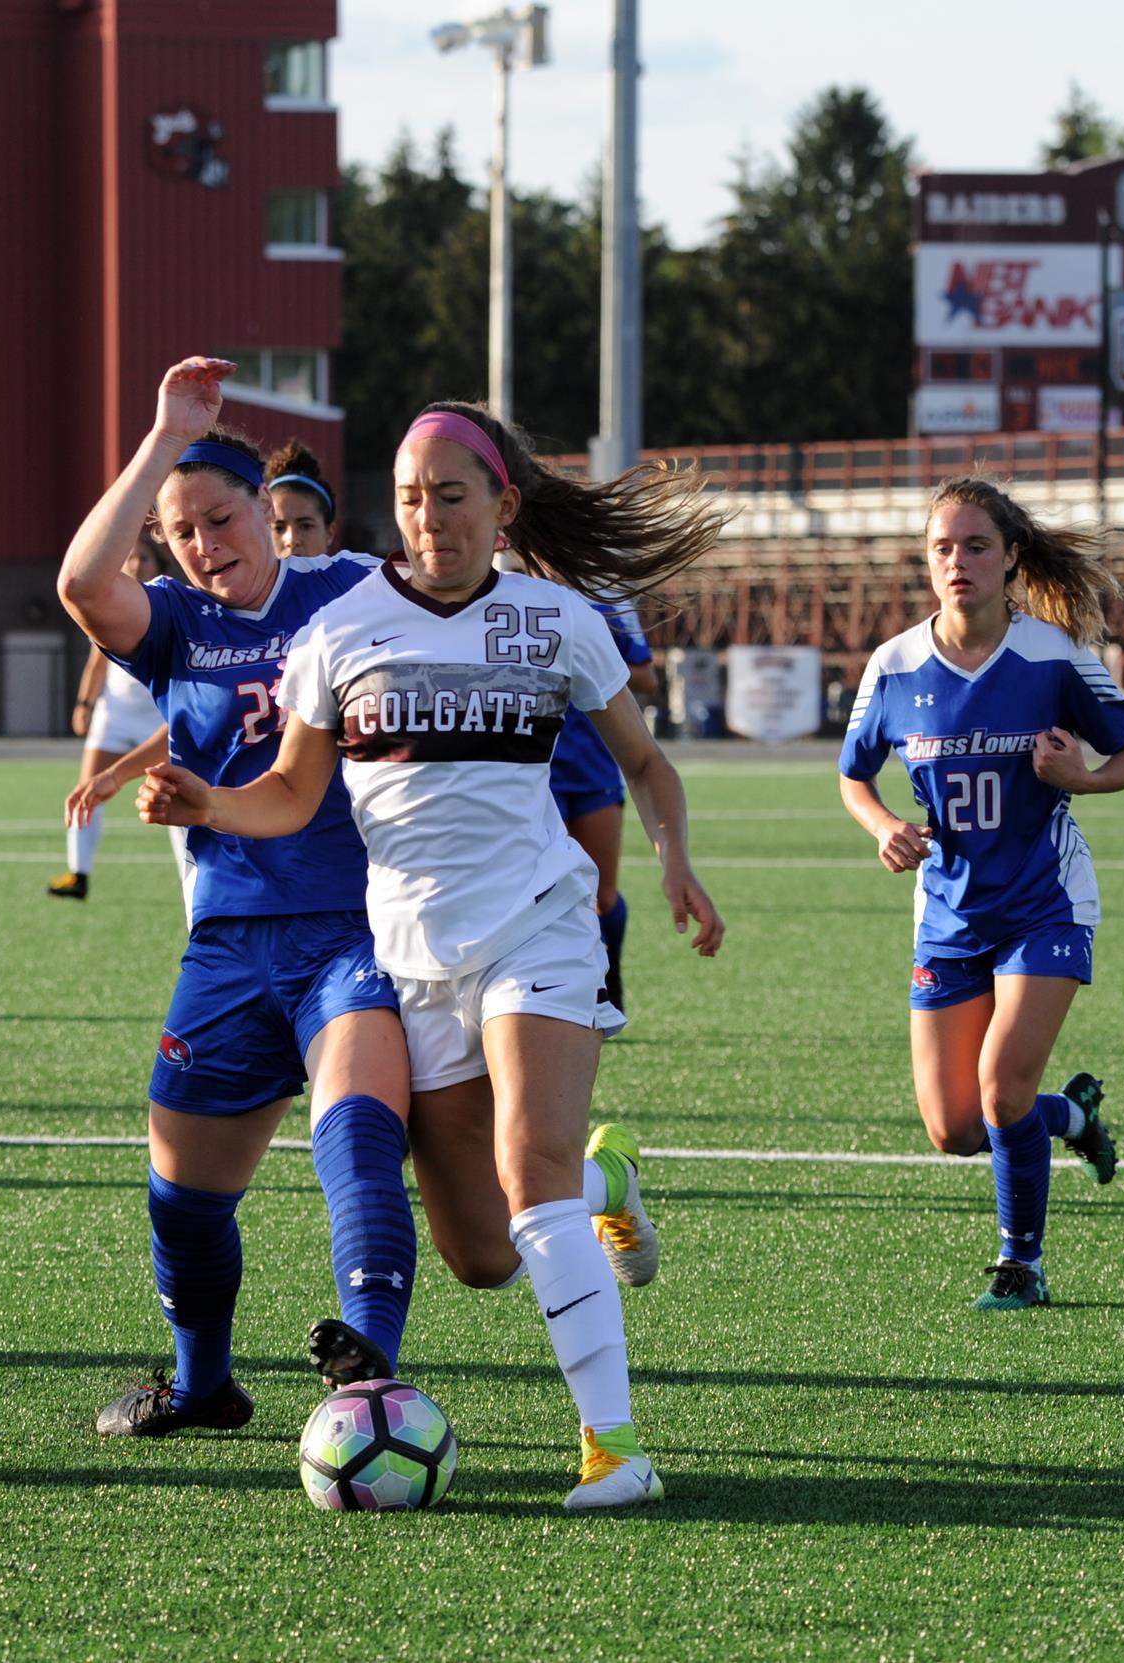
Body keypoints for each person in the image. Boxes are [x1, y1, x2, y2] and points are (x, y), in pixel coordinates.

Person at [140, 397, 728, 1511]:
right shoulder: (343, 630)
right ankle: (610, 1179)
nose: (428, 519)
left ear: (502, 505)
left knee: (527, 1169)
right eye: (410, 499)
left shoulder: (558, 622)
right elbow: (290, 793)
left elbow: (645, 764)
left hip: (537, 926)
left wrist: (673, 861)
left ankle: (615, 1449)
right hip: (412, 959)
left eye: (450, 497)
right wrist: (206, 799)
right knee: (483, 1251)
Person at [57, 358, 419, 1441]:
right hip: (225, 941)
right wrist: (163, 439)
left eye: (222, 519)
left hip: (357, 925)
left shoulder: (353, 587)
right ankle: (202, 1383)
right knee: (183, 1194)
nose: (207, 545)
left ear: (270, 511)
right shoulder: (172, 622)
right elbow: (83, 584)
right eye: (182, 533)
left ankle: (374, 1368)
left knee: (354, 1128)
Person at [836, 477, 1124, 1312]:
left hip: (1045, 903)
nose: (958, 562)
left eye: (976, 546)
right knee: (954, 1128)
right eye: (943, 547)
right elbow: (852, 777)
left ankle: (1023, 1263)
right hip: (949, 913)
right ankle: (1073, 1120)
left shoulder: (1050, 655)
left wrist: (1078, 777)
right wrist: (880, 827)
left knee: (1001, 1089)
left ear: (1012, 557)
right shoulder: (896, 664)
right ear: (926, 560)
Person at [53, 534, 189, 906]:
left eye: (144, 558)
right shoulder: (111, 605)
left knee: (172, 795)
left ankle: (190, 881)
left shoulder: (172, 603)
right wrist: (85, 703)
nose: (135, 564)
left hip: (157, 717)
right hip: (114, 714)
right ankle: (77, 873)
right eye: (129, 557)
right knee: (88, 788)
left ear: (159, 565)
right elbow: (98, 661)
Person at [543, 590, 659, 1010]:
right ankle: (559, 997)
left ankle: (611, 978)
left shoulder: (608, 603)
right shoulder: (506, 592)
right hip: (534, 774)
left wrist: (584, 663)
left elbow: (647, 677)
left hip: (594, 767)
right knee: (540, 895)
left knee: (602, 893)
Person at [262, 441, 338, 557]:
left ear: (329, 533)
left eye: (306, 526)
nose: (292, 540)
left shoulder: (362, 573)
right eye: (278, 528)